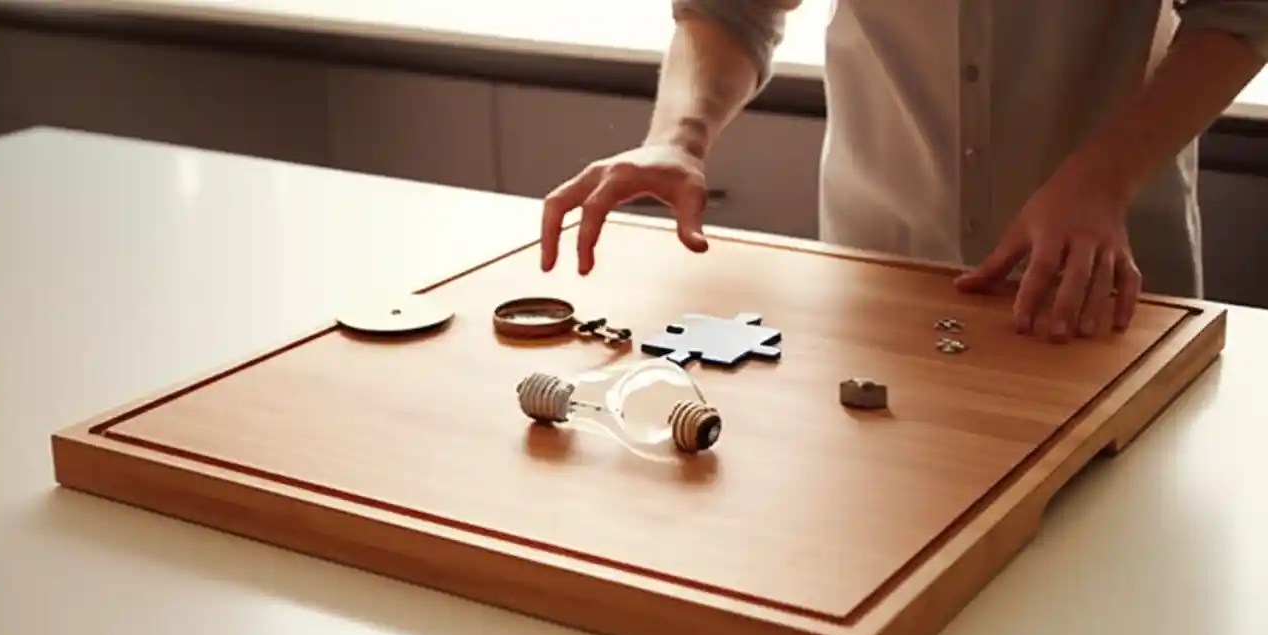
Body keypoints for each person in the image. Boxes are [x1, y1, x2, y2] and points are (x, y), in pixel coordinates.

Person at [537, 1, 1266, 343]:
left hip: (1102, 284)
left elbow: (1239, 15)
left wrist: (1102, 179)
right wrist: (679, 138)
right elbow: (733, 10)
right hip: (877, 279)